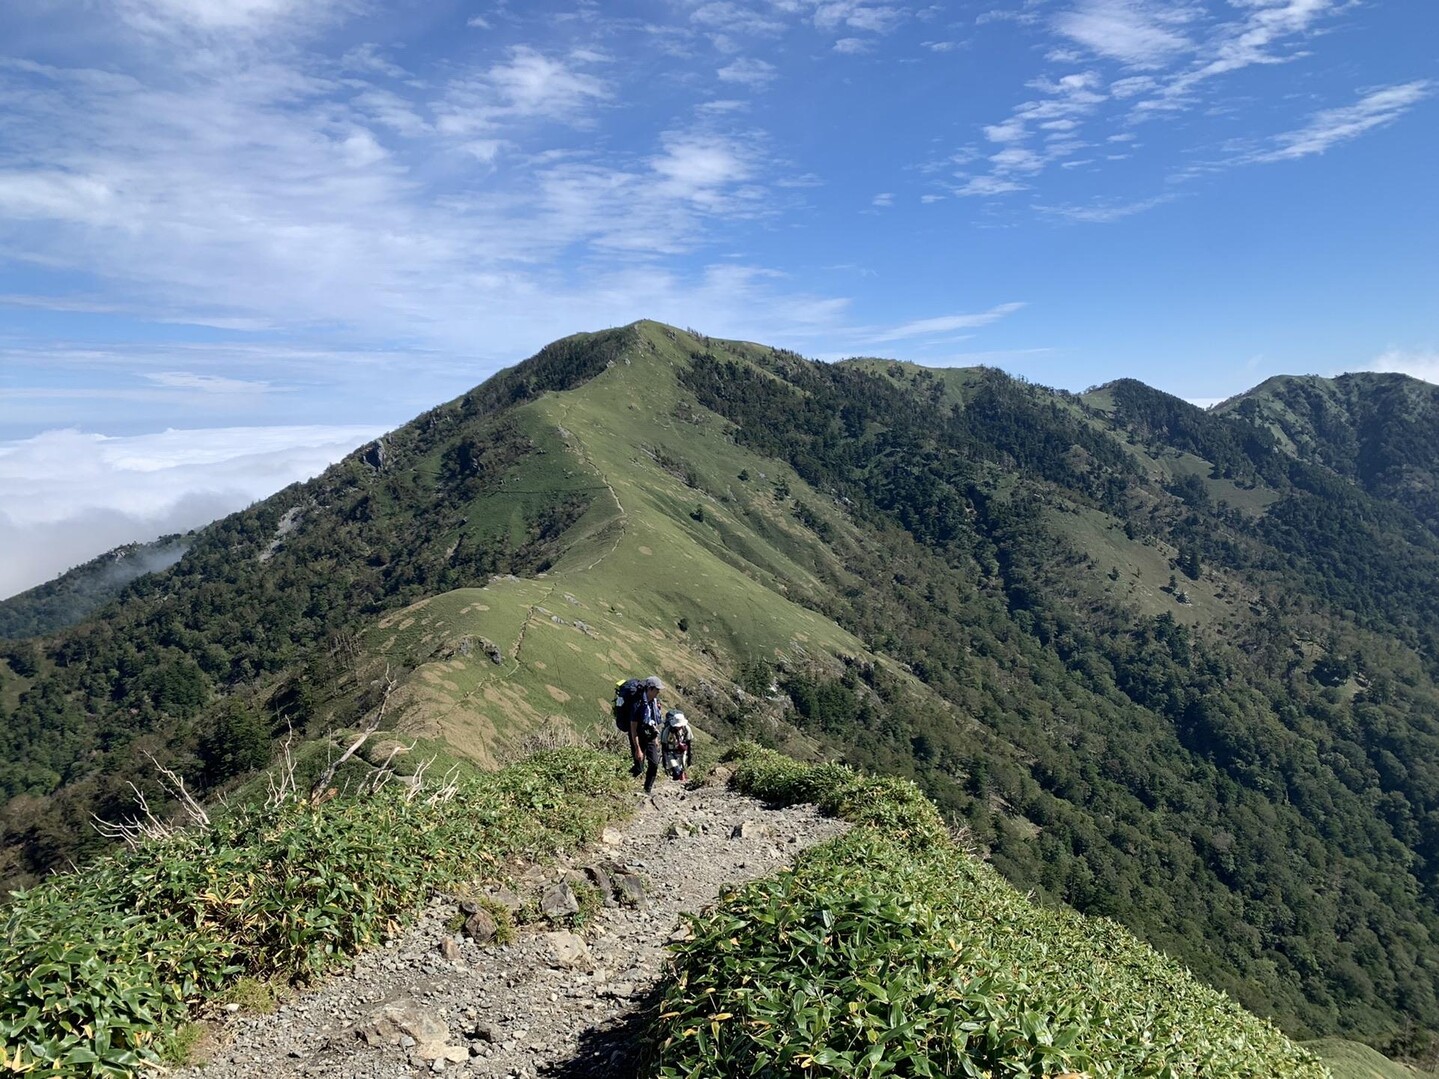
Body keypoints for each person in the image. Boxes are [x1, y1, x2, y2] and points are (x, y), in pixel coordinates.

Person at [627, 675, 664, 794]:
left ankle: (647, 790)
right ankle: (622, 781)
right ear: (650, 689)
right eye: (657, 690)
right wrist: (638, 749)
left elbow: (653, 721)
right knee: (639, 768)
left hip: (650, 735)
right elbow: (633, 729)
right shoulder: (637, 704)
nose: (658, 692)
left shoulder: (653, 703)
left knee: (654, 763)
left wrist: (656, 738)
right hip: (638, 736)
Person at [660, 709, 693, 781]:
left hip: (681, 752)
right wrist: (665, 762)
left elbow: (689, 743)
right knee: (676, 772)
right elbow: (664, 746)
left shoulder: (686, 729)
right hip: (670, 752)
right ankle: (676, 777)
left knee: (681, 770)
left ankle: (679, 781)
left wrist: (689, 758)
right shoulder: (667, 730)